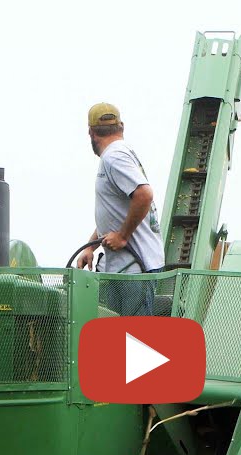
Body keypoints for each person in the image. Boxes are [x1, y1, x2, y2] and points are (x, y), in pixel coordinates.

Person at [78, 102, 164, 314]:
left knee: (133, 334)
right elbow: (115, 213)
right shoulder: (121, 152)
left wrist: (123, 236)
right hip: (123, 268)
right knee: (117, 334)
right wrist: (90, 247)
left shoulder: (114, 157)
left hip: (134, 269)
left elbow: (144, 194)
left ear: (91, 132)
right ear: (121, 127)